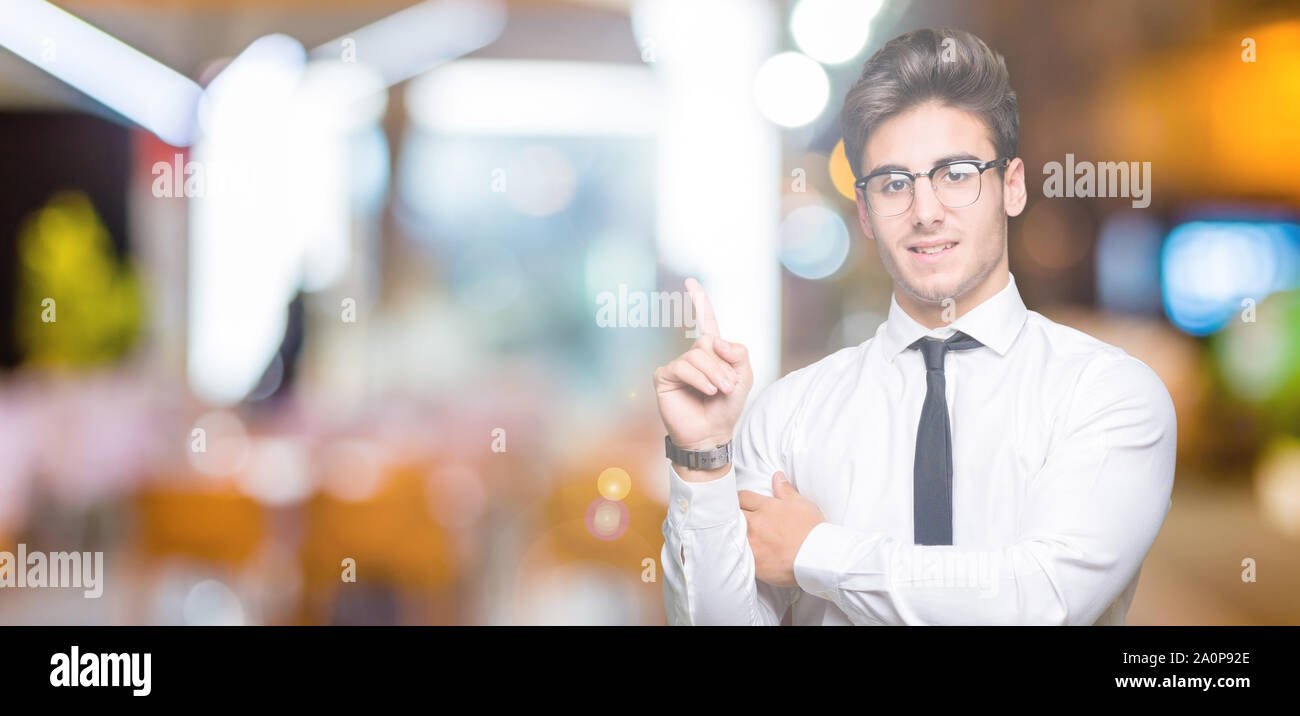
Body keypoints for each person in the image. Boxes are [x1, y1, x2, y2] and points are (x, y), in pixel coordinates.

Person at [653, 27, 1176, 625]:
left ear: (1010, 185)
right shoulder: (791, 412)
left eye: (955, 173)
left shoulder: (1107, 395)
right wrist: (703, 460)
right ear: (867, 213)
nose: (926, 212)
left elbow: (1037, 603)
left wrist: (815, 551)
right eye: (895, 183)